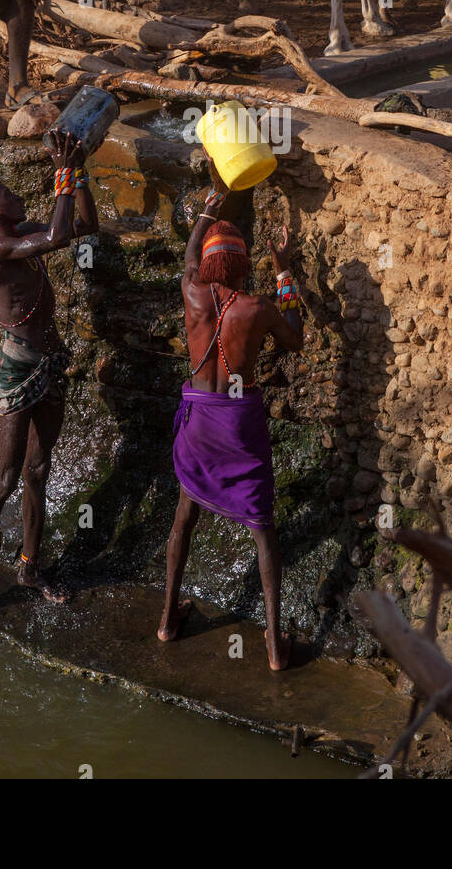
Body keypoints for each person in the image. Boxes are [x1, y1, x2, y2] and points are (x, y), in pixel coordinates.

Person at [160, 170, 304, 671]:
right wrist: (284, 271)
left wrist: (207, 207)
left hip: (199, 418)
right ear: (245, 265)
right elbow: (296, 337)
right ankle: (271, 649)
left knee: (185, 514)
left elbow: (188, 256)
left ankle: (166, 621)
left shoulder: (192, 294)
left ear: (206, 265)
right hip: (238, 424)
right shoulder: (258, 307)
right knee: (262, 527)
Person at [0, 130, 98, 618]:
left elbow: (84, 225)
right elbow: (57, 237)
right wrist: (61, 170)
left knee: (39, 469)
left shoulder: (24, 234)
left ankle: (29, 566)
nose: (14, 194)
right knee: (7, 476)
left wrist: (78, 174)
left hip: (50, 364)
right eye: (3, 192)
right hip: (17, 372)